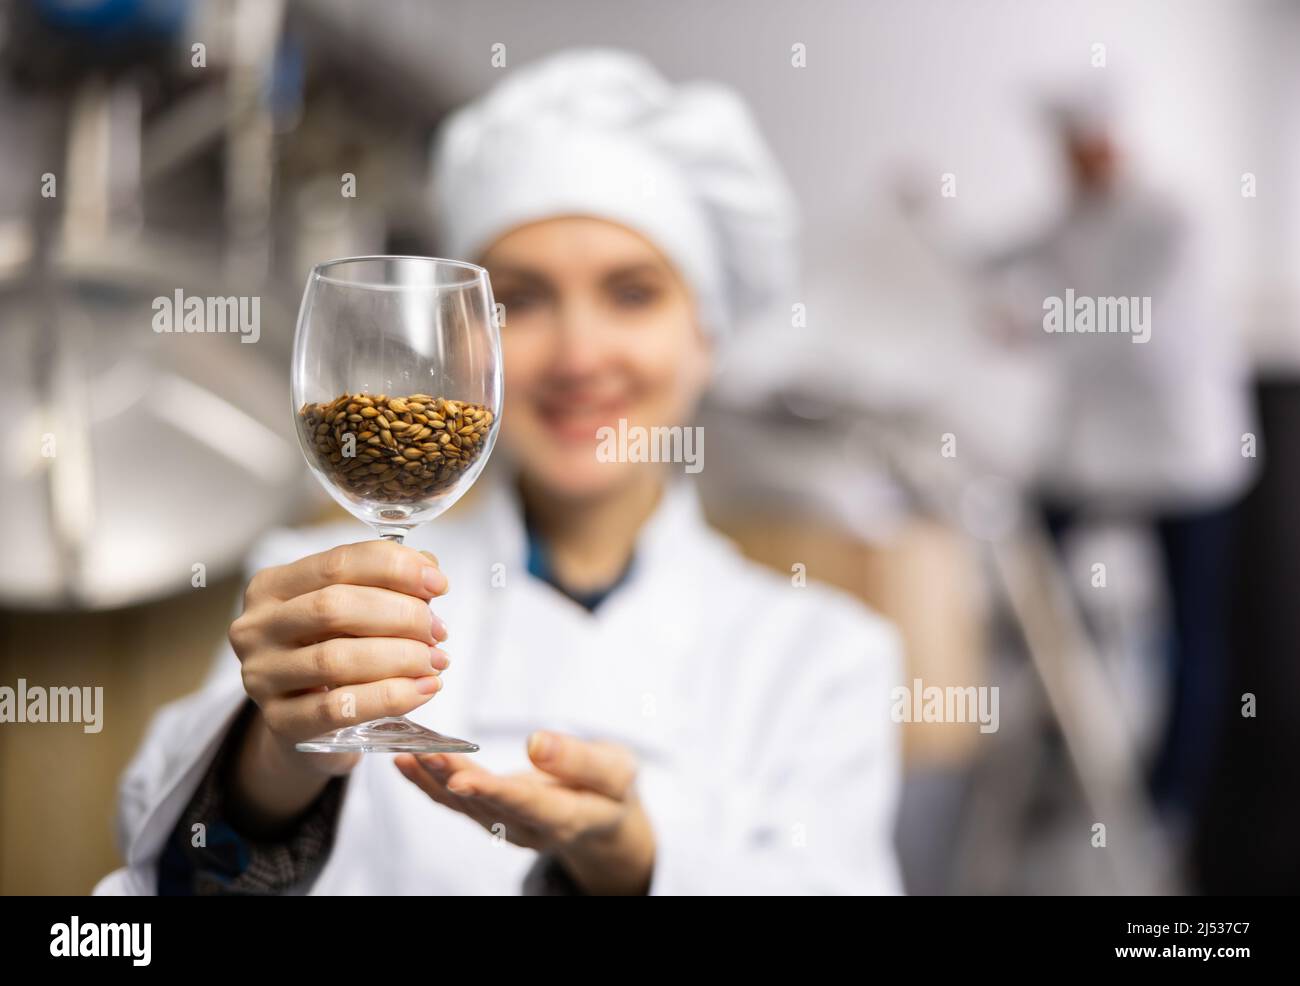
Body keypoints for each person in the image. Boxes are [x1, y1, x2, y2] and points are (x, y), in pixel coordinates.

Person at [94, 49, 904, 895]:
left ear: (708, 333)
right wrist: (270, 756)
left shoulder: (820, 657)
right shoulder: (317, 590)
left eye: (632, 294)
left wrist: (630, 862)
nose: (580, 356)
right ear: (467, 341)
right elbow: (166, 872)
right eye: (521, 299)